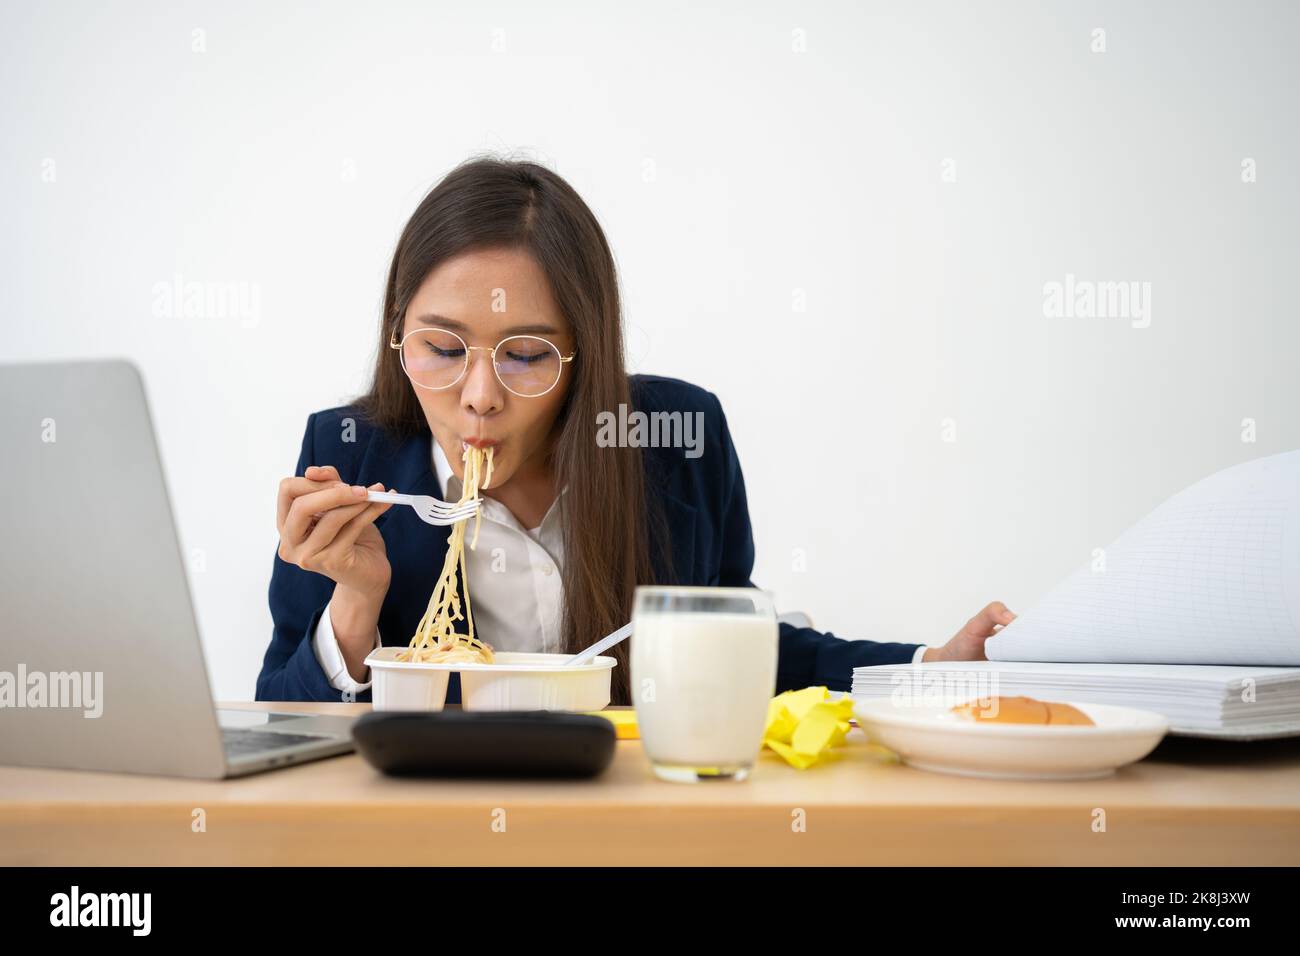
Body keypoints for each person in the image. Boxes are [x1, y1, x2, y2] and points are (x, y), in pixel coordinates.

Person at [256, 157, 1015, 704]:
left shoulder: (673, 438)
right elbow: (280, 716)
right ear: (398, 336)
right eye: (444, 350)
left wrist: (930, 668)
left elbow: (736, 647)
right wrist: (355, 603)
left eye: (527, 355)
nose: (479, 398)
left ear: (584, 354)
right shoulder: (349, 453)